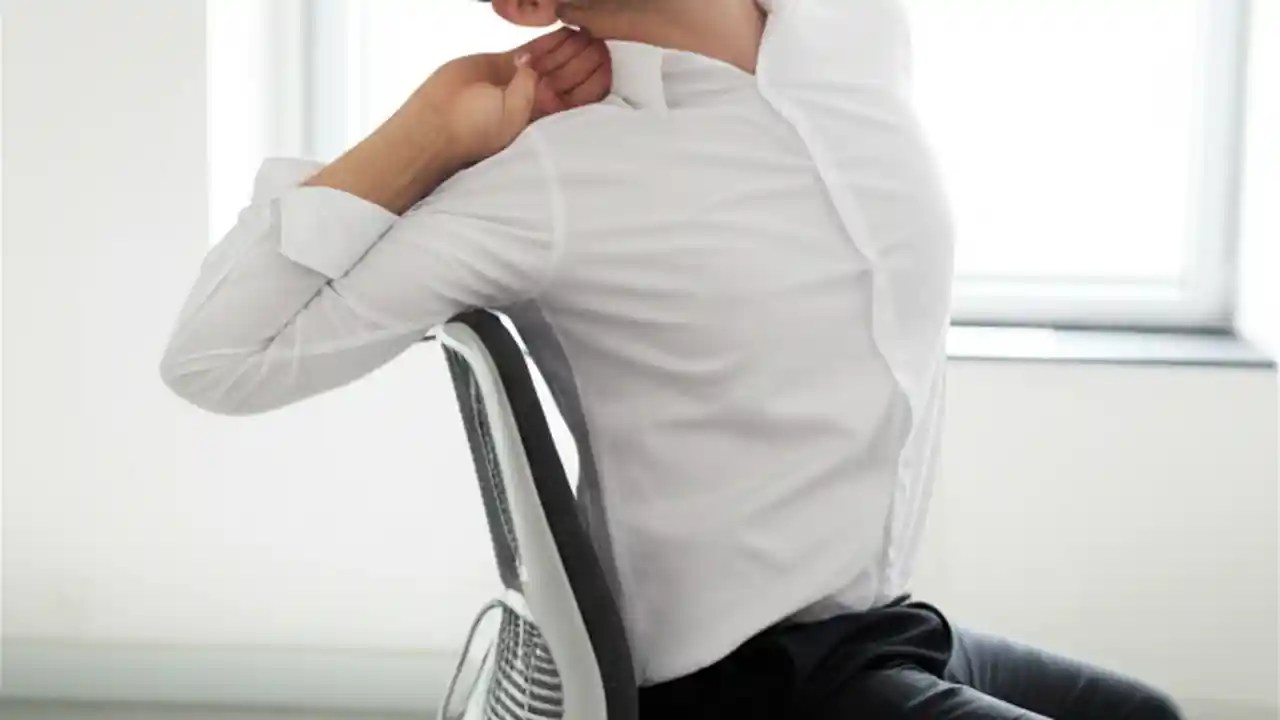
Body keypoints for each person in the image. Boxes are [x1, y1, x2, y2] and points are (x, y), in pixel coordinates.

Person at [159, 1, 1183, 717]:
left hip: (876, 628)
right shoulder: (559, 175)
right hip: (743, 686)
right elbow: (219, 359)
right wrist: (425, 132)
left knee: (1143, 712)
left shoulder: (851, 40)